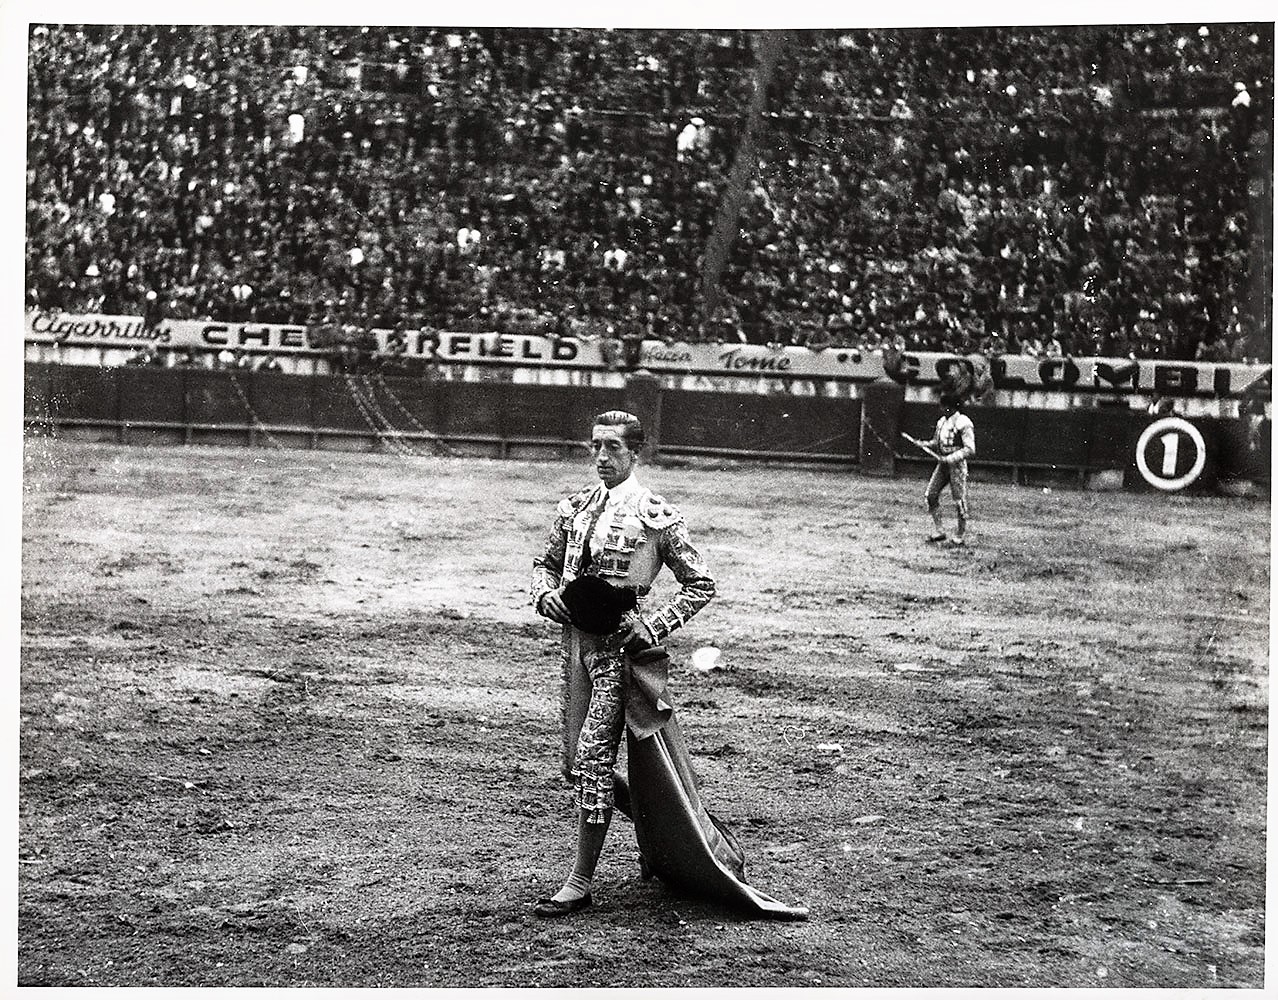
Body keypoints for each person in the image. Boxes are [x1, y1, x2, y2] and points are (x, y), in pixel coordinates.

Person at [530, 410, 715, 917]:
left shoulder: (656, 515)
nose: (601, 457)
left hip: (616, 652)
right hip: (574, 647)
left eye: (612, 448)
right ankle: (662, 842)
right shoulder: (573, 508)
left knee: (592, 763)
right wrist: (543, 593)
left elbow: (703, 584)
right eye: (595, 446)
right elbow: (544, 565)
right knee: (574, 767)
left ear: (635, 453)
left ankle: (579, 881)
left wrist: (652, 627)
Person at [923, 382, 977, 547]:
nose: (941, 409)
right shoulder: (942, 422)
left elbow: (970, 449)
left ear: (951, 407)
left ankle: (960, 534)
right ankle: (940, 530)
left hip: (957, 466)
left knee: (959, 500)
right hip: (943, 464)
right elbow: (937, 442)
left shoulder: (963, 422)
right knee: (931, 495)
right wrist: (925, 443)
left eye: (944, 406)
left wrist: (950, 458)